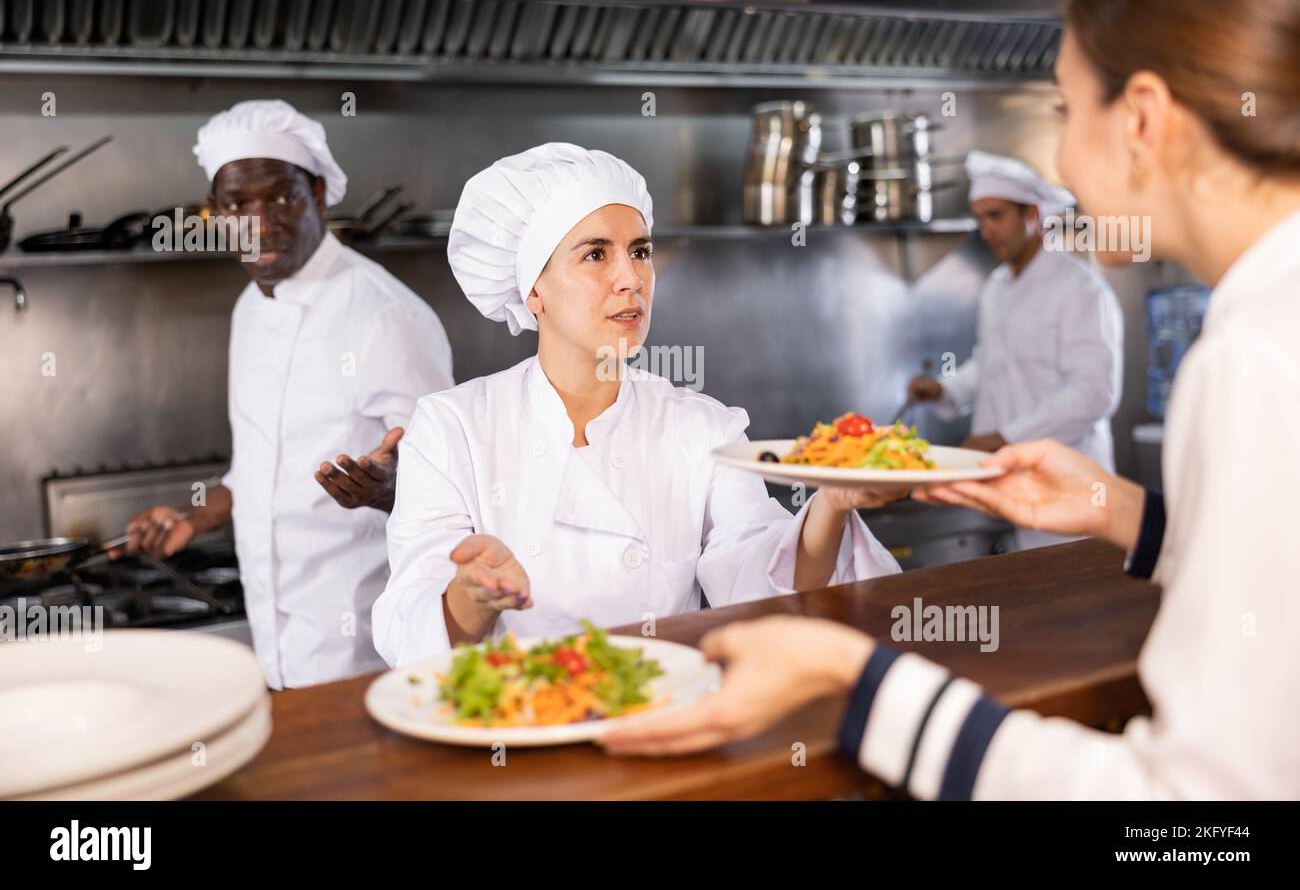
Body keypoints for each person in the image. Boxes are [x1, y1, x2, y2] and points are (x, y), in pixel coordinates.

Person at [601, 0, 1300, 799]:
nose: (1067, 164)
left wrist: (856, 680)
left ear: (1144, 120)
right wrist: (1119, 510)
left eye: (1064, 113)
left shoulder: (1252, 359)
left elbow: (1201, 822)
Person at [373, 143, 901, 665]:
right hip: (518, 726)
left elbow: (763, 586)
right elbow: (413, 625)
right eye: (596, 254)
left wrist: (831, 504)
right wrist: (474, 593)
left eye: (641, 251)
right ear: (534, 291)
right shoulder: (454, 427)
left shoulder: (701, 427)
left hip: (666, 712)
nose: (631, 279)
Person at [117, 100, 455, 689]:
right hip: (275, 647)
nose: (262, 222)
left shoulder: (385, 314)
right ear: (215, 214)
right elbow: (260, 464)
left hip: (368, 656)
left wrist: (389, 487)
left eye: (282, 197)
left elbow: (452, 488)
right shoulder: (251, 309)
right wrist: (195, 519)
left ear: (319, 196)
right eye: (237, 204)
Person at [907, 150, 1124, 550]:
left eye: (996, 215)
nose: (986, 230)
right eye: (980, 218)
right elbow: (990, 363)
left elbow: (1094, 392)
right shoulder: (997, 287)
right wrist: (945, 390)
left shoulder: (1079, 289)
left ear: (1032, 215)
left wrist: (1004, 437)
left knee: (1079, 598)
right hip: (1012, 484)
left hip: (1071, 483)